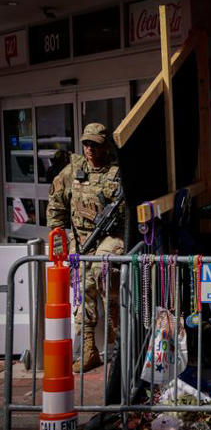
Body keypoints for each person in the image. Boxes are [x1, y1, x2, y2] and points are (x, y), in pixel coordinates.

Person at [47, 123, 125, 372]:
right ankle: (89, 349)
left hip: (111, 240)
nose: (90, 149)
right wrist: (59, 236)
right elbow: (57, 204)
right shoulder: (73, 171)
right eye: (87, 144)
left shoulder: (117, 172)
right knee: (82, 293)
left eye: (95, 144)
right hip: (81, 241)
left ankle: (119, 350)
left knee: (106, 285)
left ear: (106, 145)